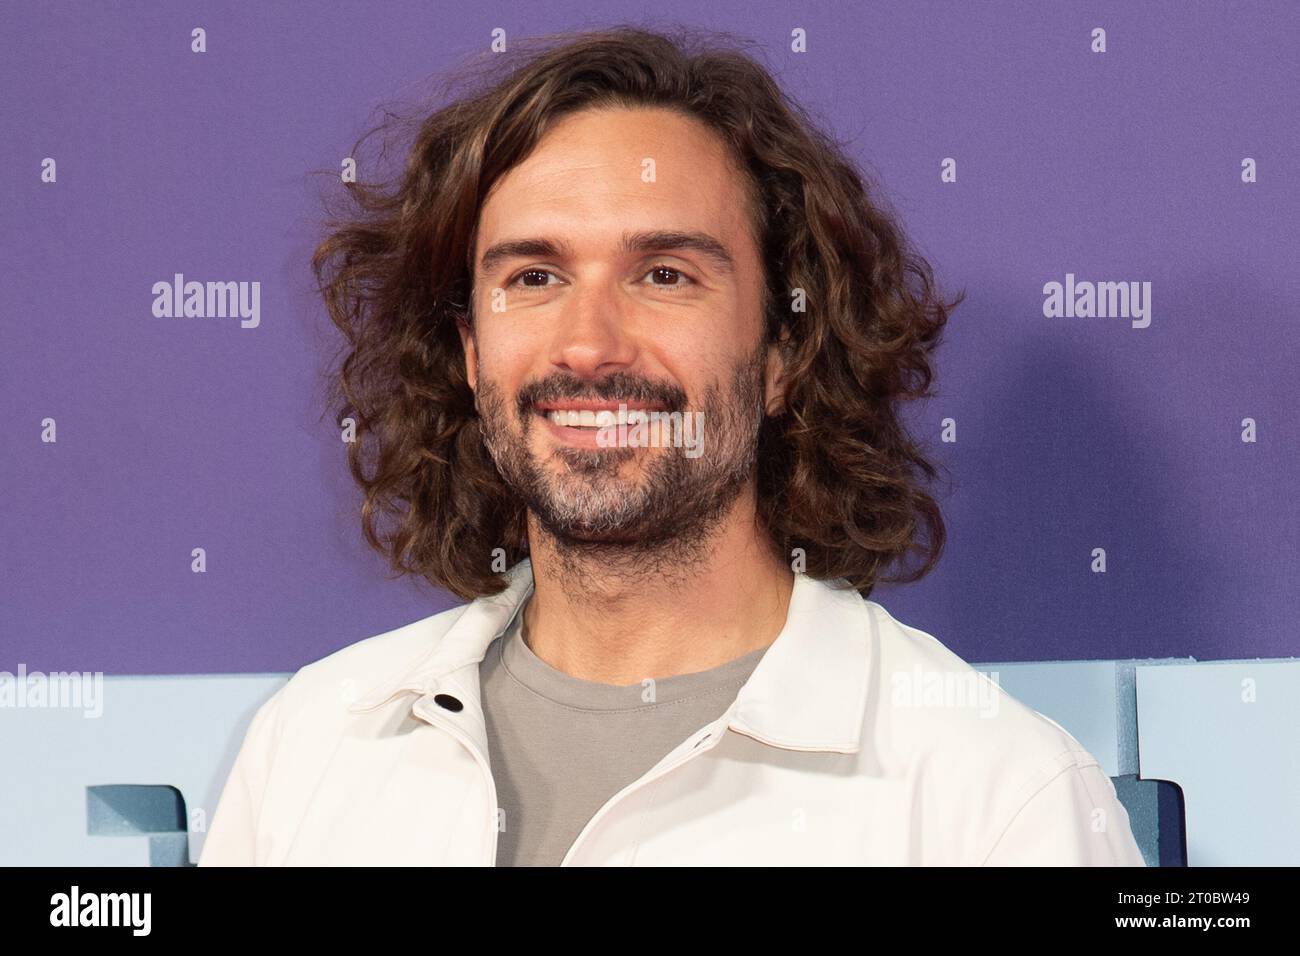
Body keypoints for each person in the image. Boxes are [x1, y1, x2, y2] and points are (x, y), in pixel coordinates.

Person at [198, 25, 1145, 866]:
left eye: (663, 273)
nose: (589, 345)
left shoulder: (995, 805)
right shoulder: (312, 748)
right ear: (471, 353)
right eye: (533, 276)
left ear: (783, 351)